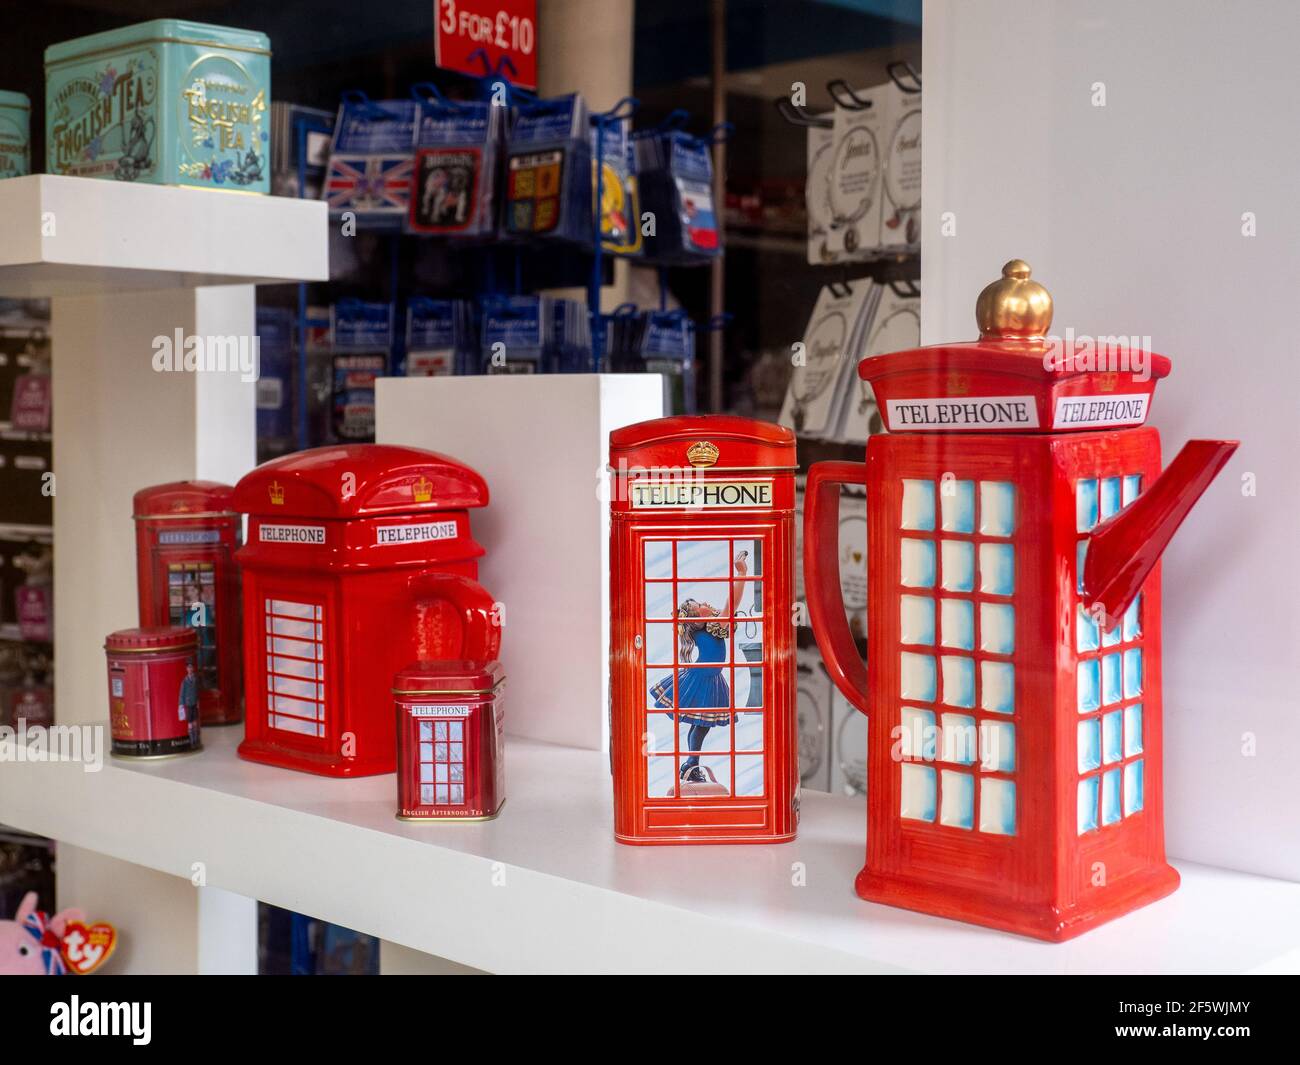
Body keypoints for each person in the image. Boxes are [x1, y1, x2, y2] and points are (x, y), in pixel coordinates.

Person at [649, 551, 750, 786]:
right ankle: (690, 764)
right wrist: (741, 573)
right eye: (700, 606)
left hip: (711, 679)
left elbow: (728, 608)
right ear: (696, 620)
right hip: (701, 679)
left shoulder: (711, 627)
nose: (706, 604)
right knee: (701, 725)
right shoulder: (708, 628)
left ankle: (690, 764)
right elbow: (731, 604)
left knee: (700, 725)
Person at [178, 660, 200, 748]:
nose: (190, 669)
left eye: (191, 667)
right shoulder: (185, 681)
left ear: (193, 668)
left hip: (194, 703)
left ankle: (195, 739)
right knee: (190, 722)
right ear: (186, 669)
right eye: (188, 667)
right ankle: (192, 741)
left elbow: (197, 691)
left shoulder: (195, 679)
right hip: (188, 704)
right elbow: (181, 693)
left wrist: (198, 701)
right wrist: (181, 705)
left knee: (195, 722)